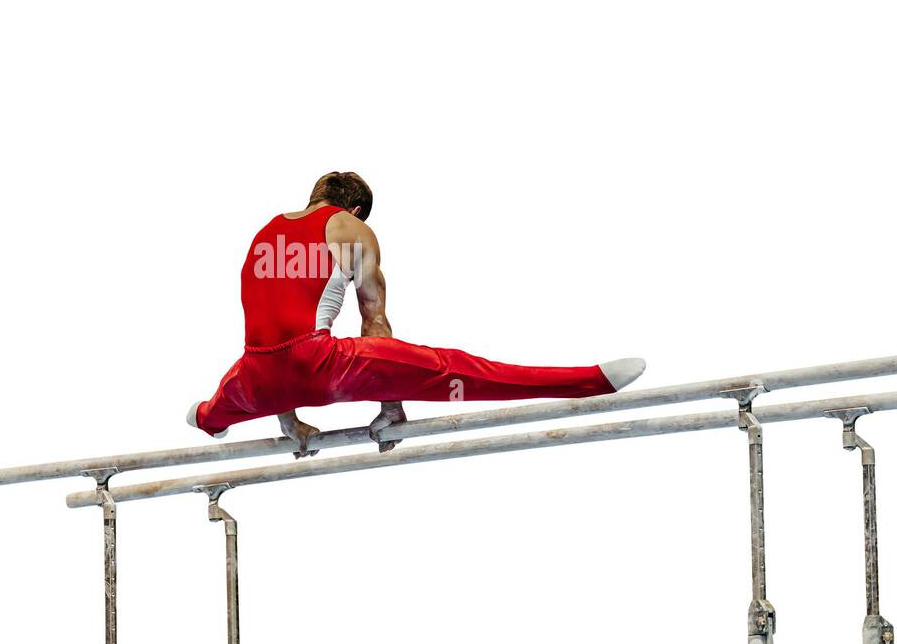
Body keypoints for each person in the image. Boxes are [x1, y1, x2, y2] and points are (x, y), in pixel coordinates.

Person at [187, 171, 645, 457]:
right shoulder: (351, 227)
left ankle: (208, 419)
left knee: (216, 408)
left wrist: (288, 421)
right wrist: (390, 405)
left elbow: (269, 330)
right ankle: (588, 380)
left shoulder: (263, 235)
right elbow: (374, 322)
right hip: (318, 367)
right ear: (357, 208)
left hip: (254, 383)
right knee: (456, 369)